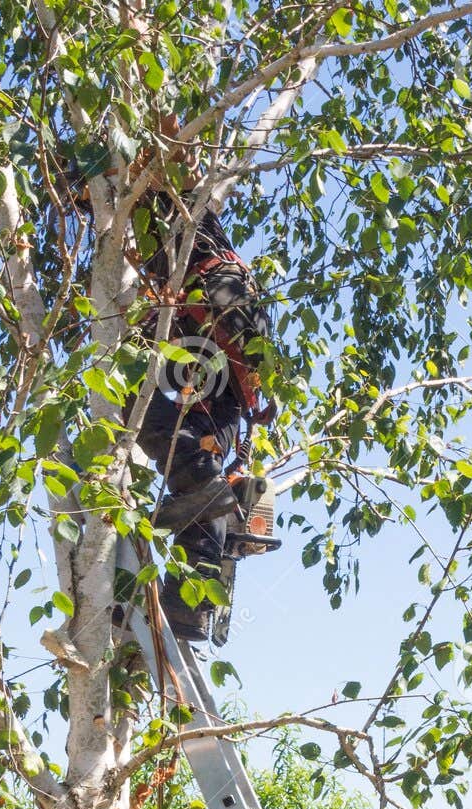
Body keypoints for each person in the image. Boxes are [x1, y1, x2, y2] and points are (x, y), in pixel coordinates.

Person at [133, 194, 275, 643]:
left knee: (150, 420)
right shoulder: (220, 259)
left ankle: (187, 603)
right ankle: (187, 611)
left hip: (214, 378)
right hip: (225, 394)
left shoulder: (189, 240)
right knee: (207, 478)